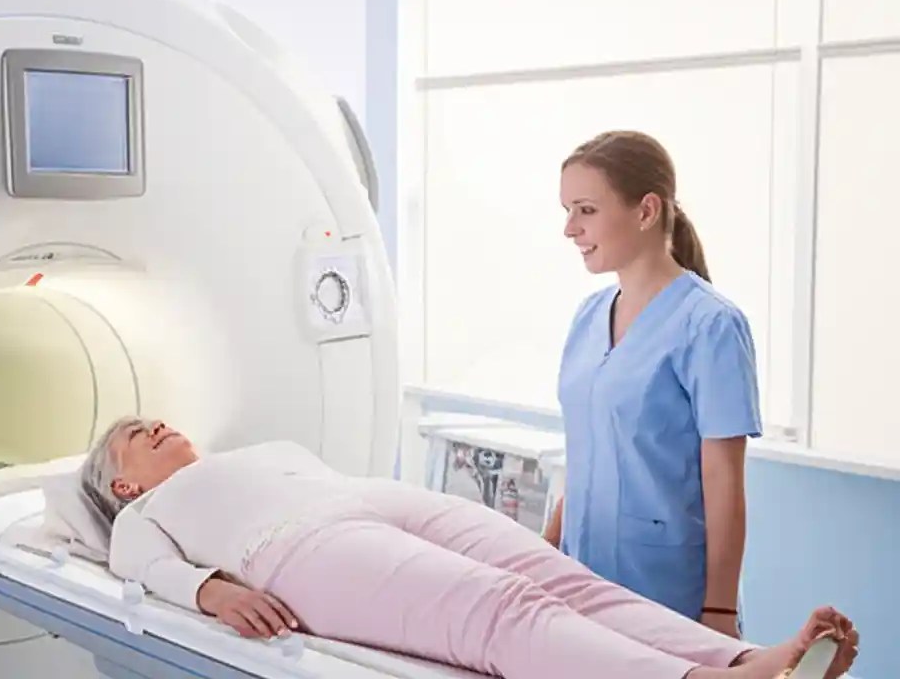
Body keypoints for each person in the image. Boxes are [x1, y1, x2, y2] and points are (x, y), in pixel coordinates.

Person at [78, 416, 859, 679]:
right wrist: (215, 591)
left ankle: (746, 661)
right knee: (502, 610)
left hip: (366, 498)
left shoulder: (251, 452)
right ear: (122, 486)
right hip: (299, 549)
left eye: (153, 419)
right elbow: (137, 571)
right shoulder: (148, 516)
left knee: (557, 575)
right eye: (132, 438)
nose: (154, 428)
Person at [547, 130, 759, 638]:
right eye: (566, 211)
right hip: (580, 585)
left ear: (646, 211)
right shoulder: (588, 316)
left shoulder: (711, 325)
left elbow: (724, 482)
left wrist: (720, 613)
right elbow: (586, 459)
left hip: (667, 595)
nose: (569, 229)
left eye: (585, 210)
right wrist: (541, 557)